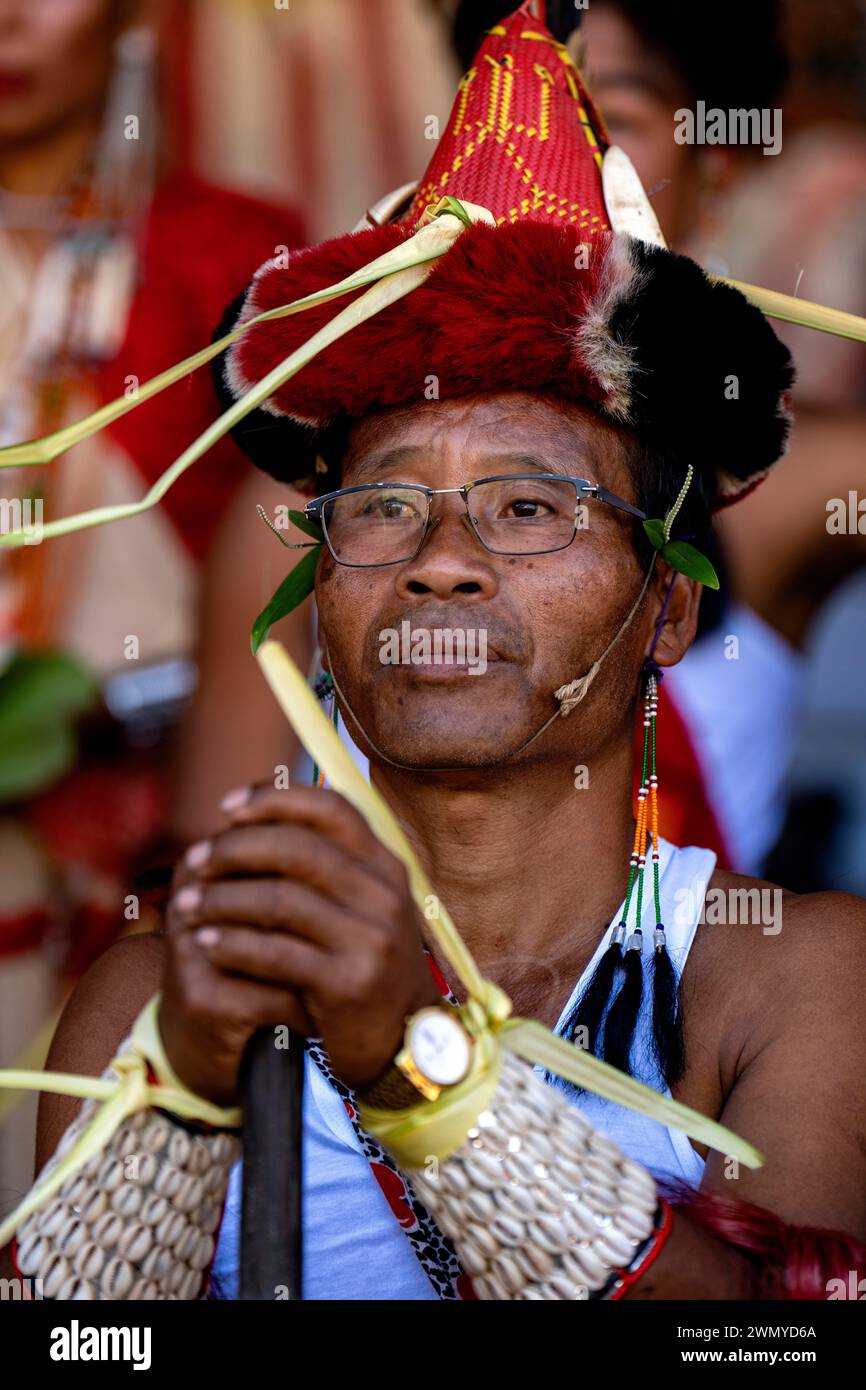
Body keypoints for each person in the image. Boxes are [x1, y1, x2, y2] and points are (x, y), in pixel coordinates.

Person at [5, 3, 866, 1301]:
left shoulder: (789, 975)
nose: (442, 556)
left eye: (529, 507)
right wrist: (181, 1081)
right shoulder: (155, 985)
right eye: (385, 505)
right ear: (317, 598)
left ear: (668, 614)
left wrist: (416, 1060)